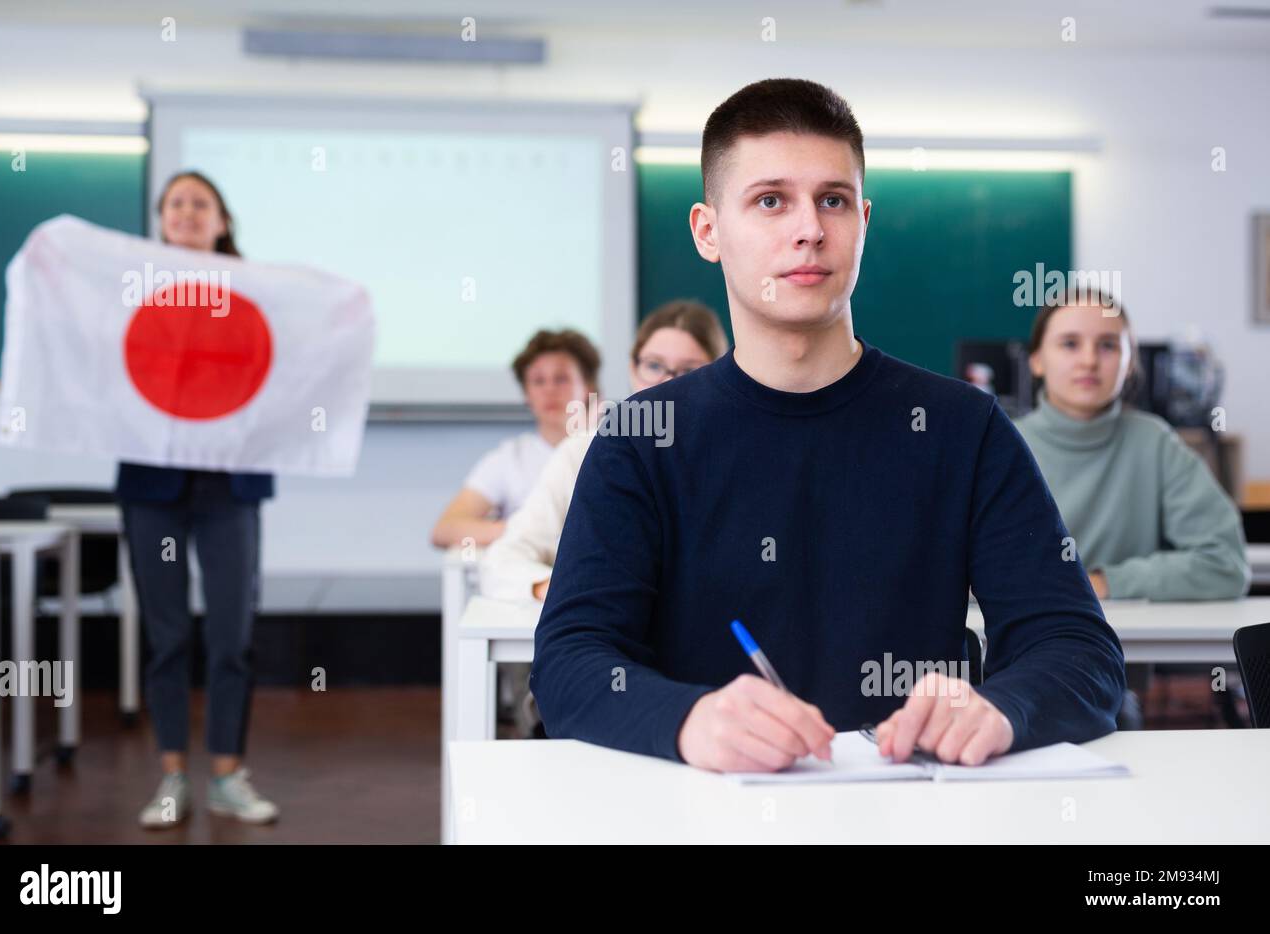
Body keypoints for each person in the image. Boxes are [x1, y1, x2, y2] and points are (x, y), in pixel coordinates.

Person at [530, 78, 1125, 773]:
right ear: (708, 231)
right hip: (703, 808)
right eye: (771, 200)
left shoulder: (963, 427)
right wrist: (686, 720)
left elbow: (1081, 652)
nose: (809, 228)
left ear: (862, 221)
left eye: (833, 200)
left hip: (909, 808)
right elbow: (569, 663)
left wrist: (1003, 706)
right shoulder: (642, 437)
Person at [119, 171, 278, 827]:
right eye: (176, 203)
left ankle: (227, 775)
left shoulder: (260, 293)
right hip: (153, 484)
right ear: (160, 219)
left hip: (230, 485)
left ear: (222, 221)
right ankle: (171, 777)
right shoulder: (127, 287)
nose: (187, 212)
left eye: (200, 203)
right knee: (165, 633)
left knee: (231, 632)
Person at [1016, 291, 1250, 728]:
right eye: (1070, 344)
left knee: (1112, 718)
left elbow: (1225, 564)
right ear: (1036, 361)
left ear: (1130, 363)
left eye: (1108, 345)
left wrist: (1107, 581)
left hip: (1110, 675)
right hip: (1013, 666)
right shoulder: (1002, 443)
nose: (1089, 360)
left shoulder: (1155, 442)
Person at [479, 300, 728, 604]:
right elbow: (503, 559)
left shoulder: (736, 455)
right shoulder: (585, 449)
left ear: (718, 376)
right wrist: (551, 587)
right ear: (632, 370)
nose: (667, 382)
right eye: (653, 366)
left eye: (689, 370)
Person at [430, 329, 599, 548]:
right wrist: (527, 531)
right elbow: (445, 530)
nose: (549, 390)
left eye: (561, 379)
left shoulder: (610, 449)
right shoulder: (509, 458)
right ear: (526, 394)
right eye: (538, 381)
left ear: (587, 387)